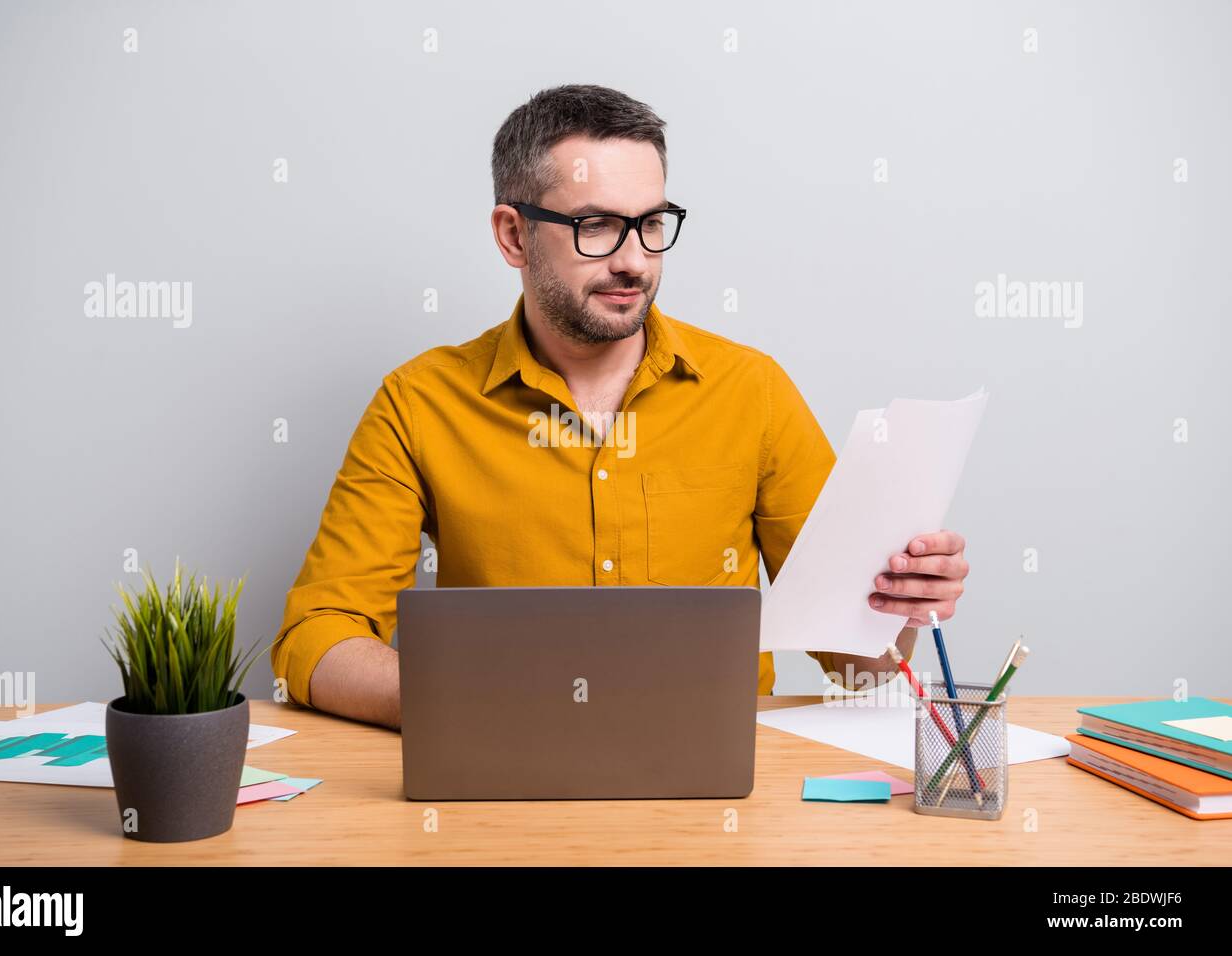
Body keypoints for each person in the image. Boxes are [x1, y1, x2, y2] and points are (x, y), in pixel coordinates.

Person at [272, 84, 969, 729]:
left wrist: (898, 610)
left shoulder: (751, 391)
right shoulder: (418, 403)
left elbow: (856, 665)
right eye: (597, 226)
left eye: (652, 224)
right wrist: (482, 705)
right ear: (513, 235)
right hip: (501, 787)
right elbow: (316, 638)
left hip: (715, 793)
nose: (635, 261)